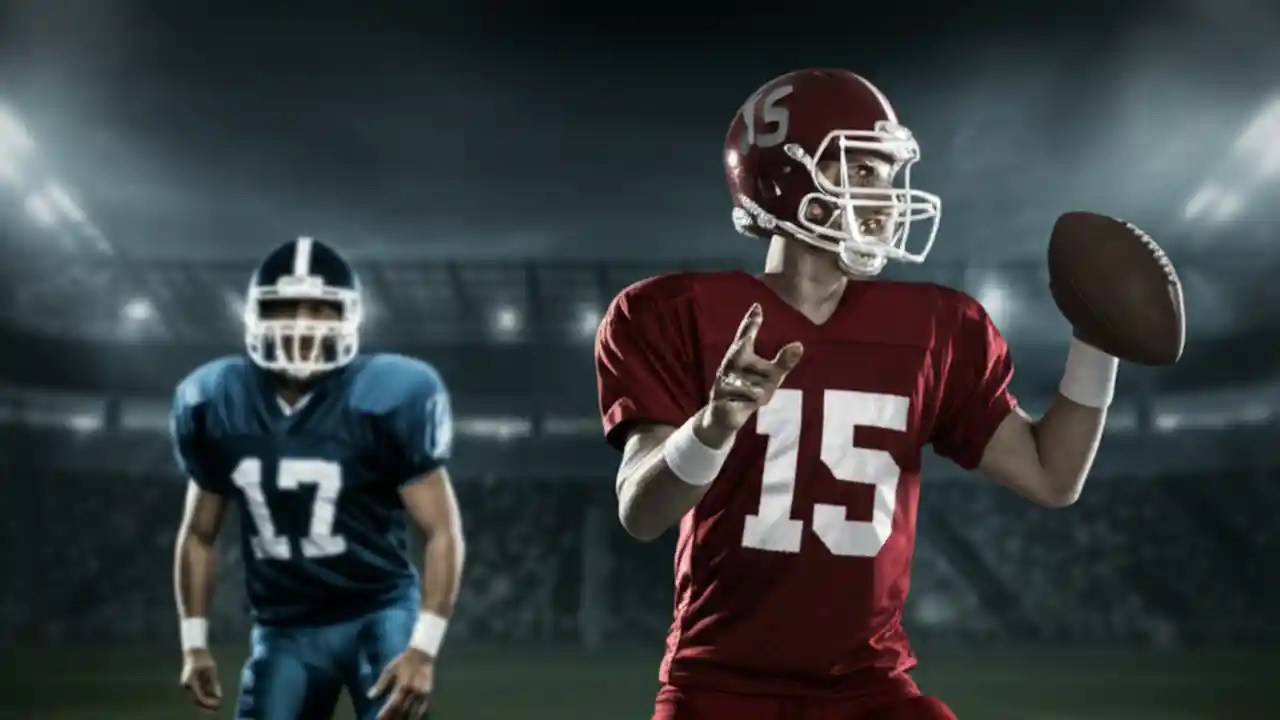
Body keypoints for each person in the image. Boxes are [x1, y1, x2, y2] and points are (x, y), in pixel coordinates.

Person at [595, 68, 1119, 720]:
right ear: (784, 177)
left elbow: (1051, 475)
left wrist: (1098, 340)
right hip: (719, 689)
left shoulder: (937, 327)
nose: (887, 196)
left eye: (888, 174)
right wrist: (713, 425)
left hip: (869, 690)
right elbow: (642, 513)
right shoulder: (676, 312)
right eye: (863, 172)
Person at [170, 237, 464, 720]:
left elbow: (441, 530)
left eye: (319, 309)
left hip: (379, 614)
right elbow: (199, 534)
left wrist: (423, 648)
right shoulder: (217, 400)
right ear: (255, 316)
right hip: (285, 627)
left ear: (348, 317)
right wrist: (193, 643)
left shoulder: (390, 394)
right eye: (284, 307)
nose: (302, 323)